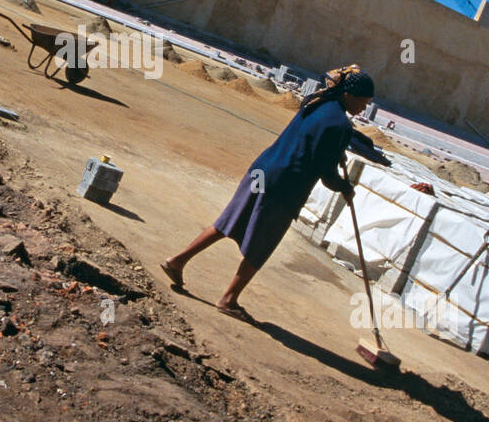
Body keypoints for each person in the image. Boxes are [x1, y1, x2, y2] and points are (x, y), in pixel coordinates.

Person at [160, 66, 375, 320]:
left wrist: (337, 150)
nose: (363, 109)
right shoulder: (340, 125)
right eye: (363, 102)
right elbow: (326, 173)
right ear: (349, 94)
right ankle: (228, 299)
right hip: (284, 187)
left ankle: (176, 261)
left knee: (226, 223)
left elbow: (310, 139)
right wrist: (345, 187)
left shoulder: (315, 103)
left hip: (262, 170)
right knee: (261, 245)